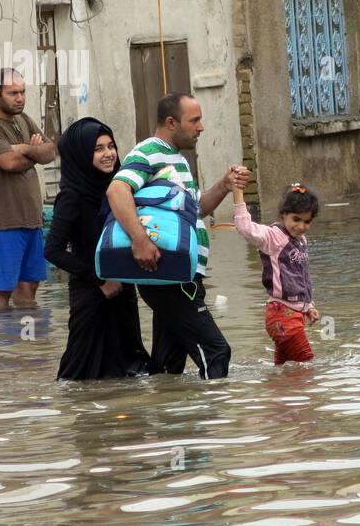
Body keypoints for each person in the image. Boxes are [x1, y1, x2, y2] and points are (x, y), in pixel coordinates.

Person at [106, 92, 244, 379]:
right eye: (194, 121)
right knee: (217, 351)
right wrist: (140, 240)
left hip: (180, 274)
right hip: (171, 276)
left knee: (168, 367)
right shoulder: (149, 152)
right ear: (171, 122)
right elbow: (117, 190)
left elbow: (197, 210)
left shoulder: (175, 159)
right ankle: (216, 418)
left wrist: (224, 184)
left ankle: (171, 419)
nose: (201, 127)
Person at [44, 117, 151, 380]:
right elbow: (53, 250)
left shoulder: (119, 189)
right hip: (92, 294)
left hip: (123, 291)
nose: (109, 154)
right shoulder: (72, 197)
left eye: (111, 146)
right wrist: (100, 279)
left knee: (129, 369)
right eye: (98, 149)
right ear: (80, 154)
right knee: (80, 373)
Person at [0, 68, 57, 311]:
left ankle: (27, 347)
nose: (20, 98)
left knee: (29, 288)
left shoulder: (23, 119)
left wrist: (24, 148)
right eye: (13, 93)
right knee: (1, 290)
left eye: (23, 92)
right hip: (1, 223)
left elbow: (50, 151)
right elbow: (9, 163)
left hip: (31, 220)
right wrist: (32, 150)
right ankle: (1, 346)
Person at [232, 180, 321, 366]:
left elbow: (300, 275)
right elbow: (245, 228)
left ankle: (277, 393)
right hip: (281, 315)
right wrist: (238, 192)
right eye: (296, 219)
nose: (301, 226)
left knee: (283, 368)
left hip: (294, 315)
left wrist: (309, 306)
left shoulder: (300, 240)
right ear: (283, 215)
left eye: (307, 221)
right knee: (307, 364)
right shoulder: (273, 237)